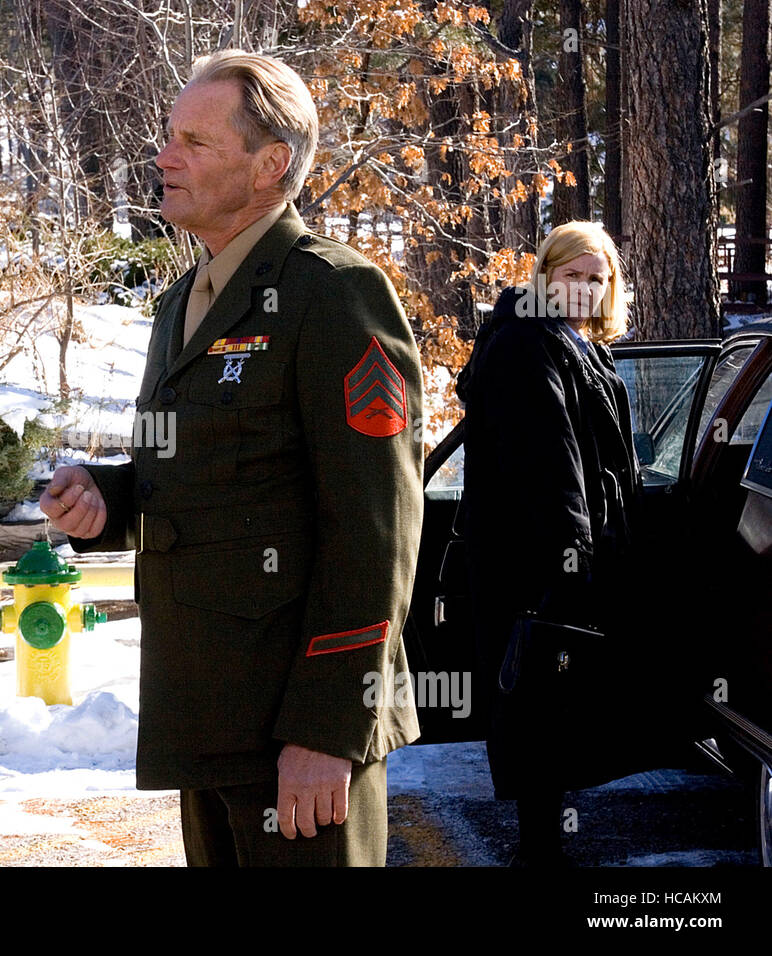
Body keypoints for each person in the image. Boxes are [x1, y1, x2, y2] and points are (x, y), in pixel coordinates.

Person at [40, 49, 424, 866]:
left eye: (195, 142)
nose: (163, 157)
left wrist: (329, 730)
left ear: (270, 164)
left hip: (297, 738)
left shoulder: (332, 293)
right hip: (207, 720)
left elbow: (378, 527)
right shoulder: (185, 301)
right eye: (167, 137)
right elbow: (203, 474)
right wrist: (108, 500)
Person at [455, 220, 640, 866]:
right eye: (572, 275)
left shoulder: (572, 341)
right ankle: (542, 851)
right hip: (535, 563)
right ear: (545, 277)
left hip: (558, 554)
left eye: (598, 278)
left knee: (550, 709)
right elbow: (549, 466)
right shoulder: (526, 344)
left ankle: (546, 842)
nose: (585, 289)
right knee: (538, 708)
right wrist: (573, 561)